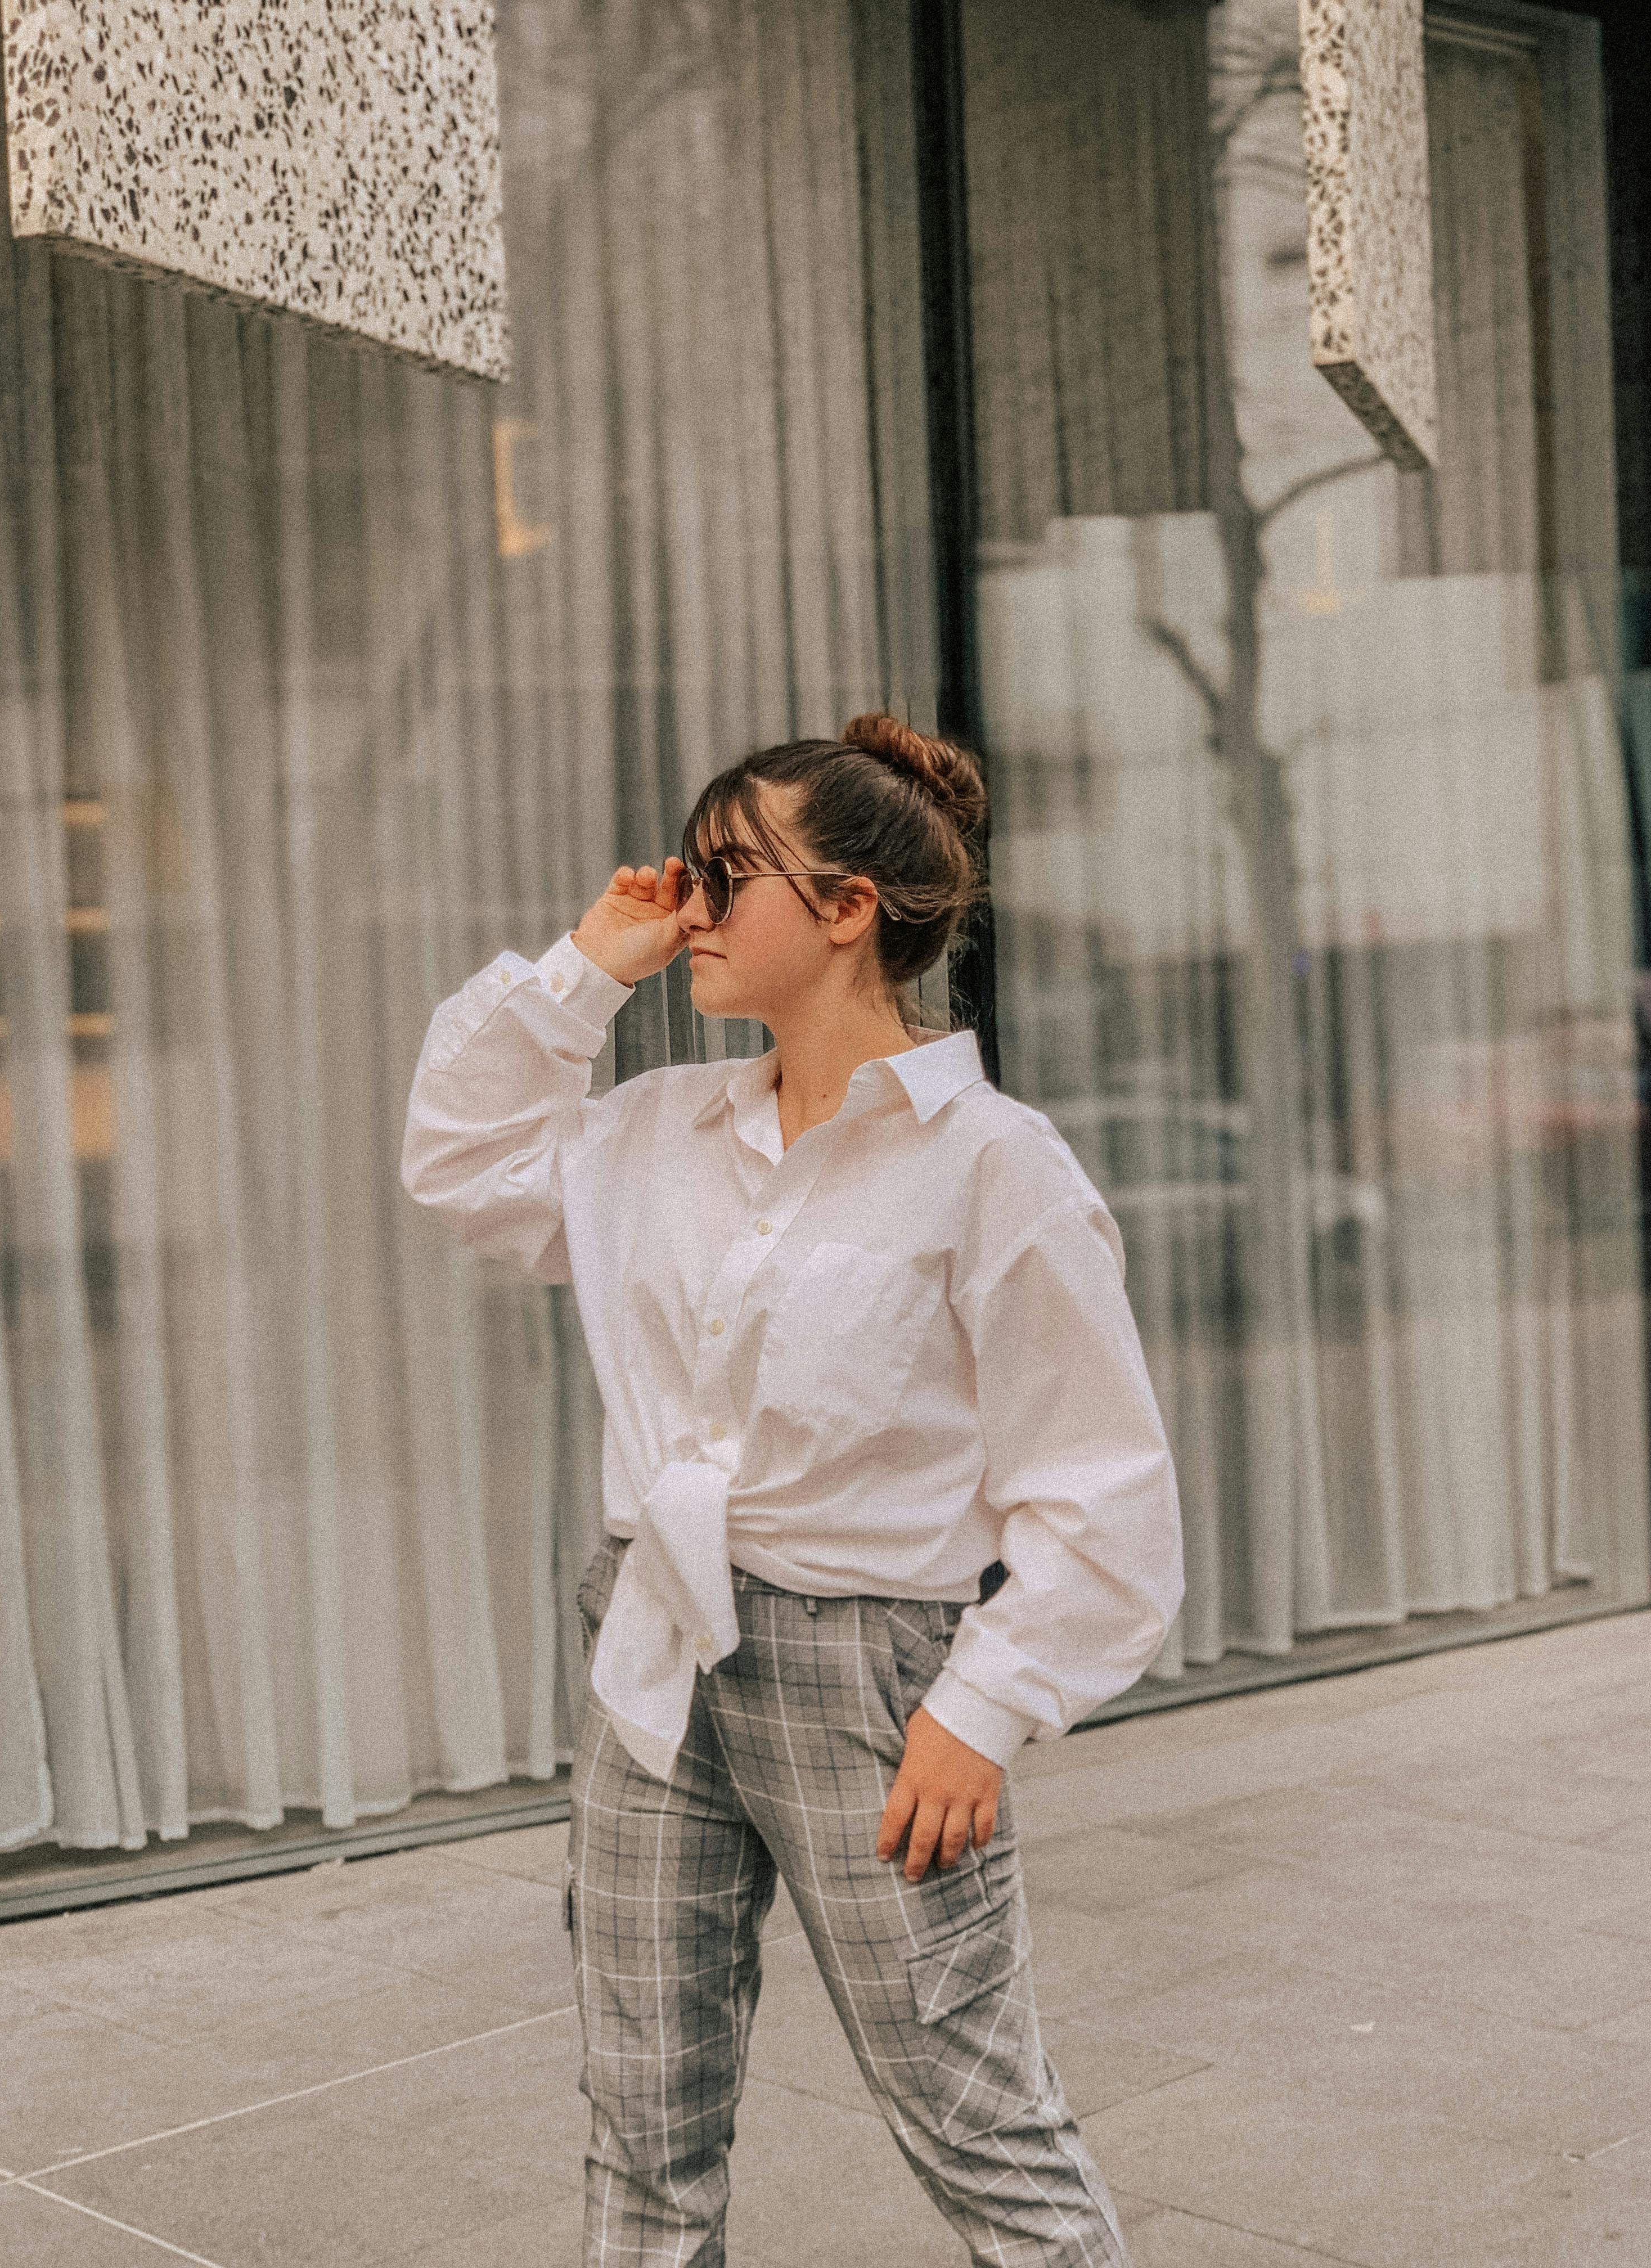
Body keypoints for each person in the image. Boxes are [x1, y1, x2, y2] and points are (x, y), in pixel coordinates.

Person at [400, 712, 1184, 2268]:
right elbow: (461, 1159)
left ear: (848, 911)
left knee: (978, 2118)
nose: (690, 905)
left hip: (874, 1676)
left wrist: (986, 1703)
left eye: (724, 875)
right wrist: (588, 966)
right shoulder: (653, 1136)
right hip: (655, 1646)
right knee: (643, 2115)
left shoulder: (993, 1164)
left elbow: (1097, 1476)